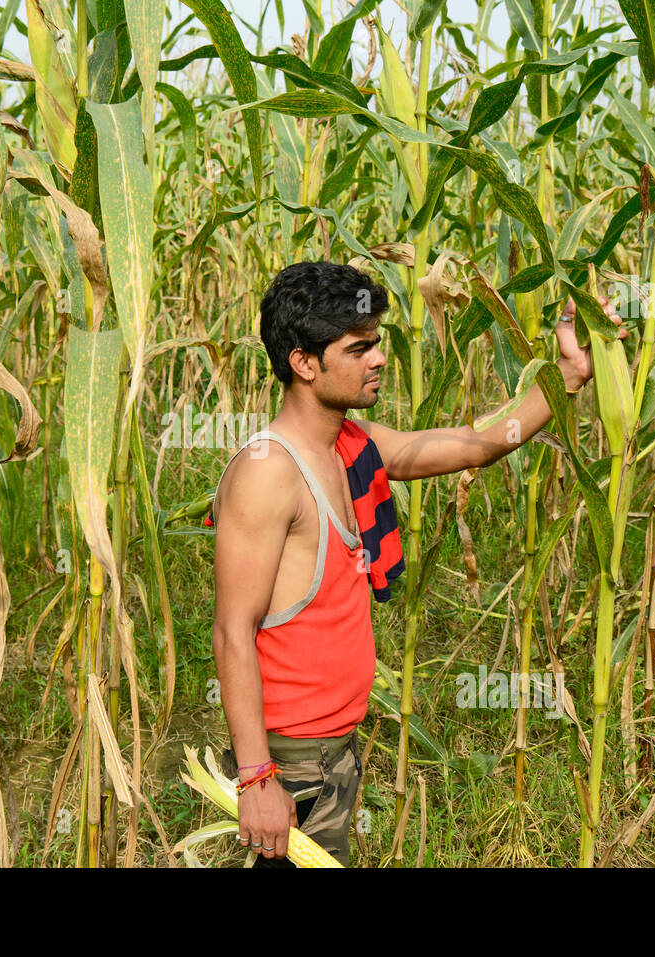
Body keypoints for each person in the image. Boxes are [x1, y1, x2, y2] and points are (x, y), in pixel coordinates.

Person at [206, 260, 624, 866]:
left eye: (376, 345)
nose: (378, 359)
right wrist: (256, 779)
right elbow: (231, 632)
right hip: (289, 761)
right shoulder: (270, 472)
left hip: (334, 749)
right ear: (303, 363)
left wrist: (568, 375)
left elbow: (476, 444)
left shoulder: (350, 443)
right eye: (359, 348)